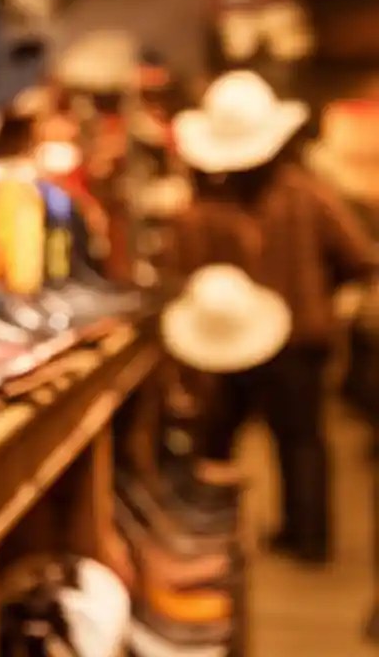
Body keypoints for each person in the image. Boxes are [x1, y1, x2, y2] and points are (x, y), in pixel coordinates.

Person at [168, 71, 379, 564]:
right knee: (299, 440)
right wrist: (323, 294)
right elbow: (357, 256)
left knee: (222, 433)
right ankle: (306, 536)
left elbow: (181, 275)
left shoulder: (204, 210)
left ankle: (216, 532)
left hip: (247, 340)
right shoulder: (306, 193)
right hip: (294, 339)